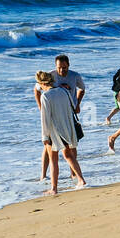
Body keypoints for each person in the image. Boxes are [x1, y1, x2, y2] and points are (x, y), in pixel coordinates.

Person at [35, 54, 85, 183]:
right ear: (55, 66)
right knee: (50, 148)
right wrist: (41, 108)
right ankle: (43, 175)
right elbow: (36, 89)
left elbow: (82, 89)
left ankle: (73, 175)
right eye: (59, 67)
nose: (62, 70)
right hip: (54, 117)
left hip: (68, 114)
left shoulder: (75, 76)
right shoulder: (50, 76)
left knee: (70, 147)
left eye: (64, 67)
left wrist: (77, 103)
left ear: (68, 65)